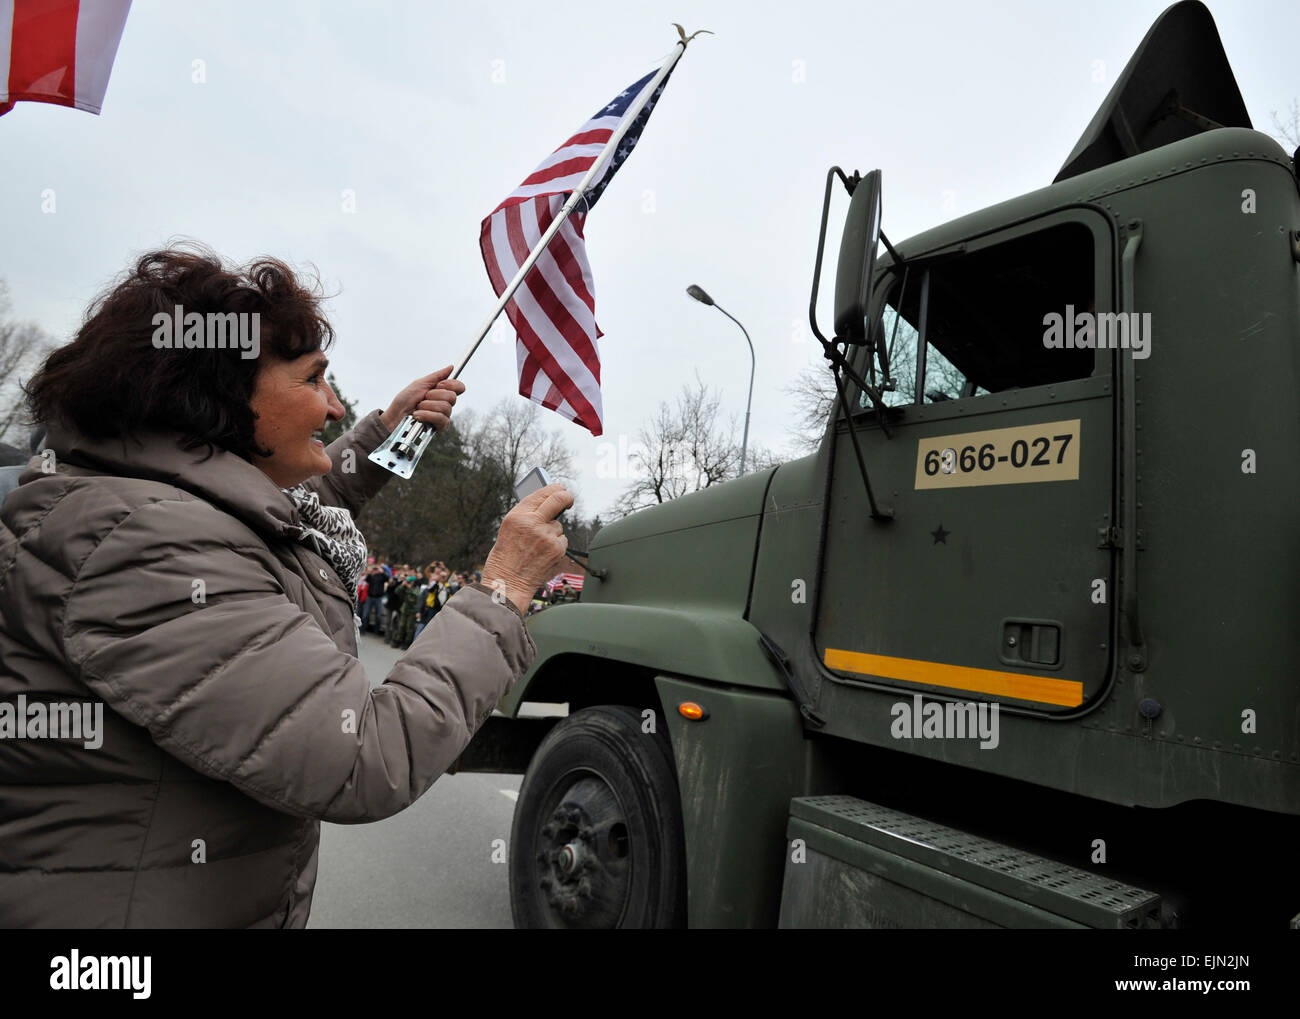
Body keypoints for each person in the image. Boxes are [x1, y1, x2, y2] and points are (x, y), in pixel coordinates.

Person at [0, 247, 573, 927]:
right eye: (313, 379)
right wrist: (501, 591)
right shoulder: (150, 547)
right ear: (217, 394)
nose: (333, 405)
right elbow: (365, 753)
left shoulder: (150, 503)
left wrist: (387, 430)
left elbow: (291, 505)